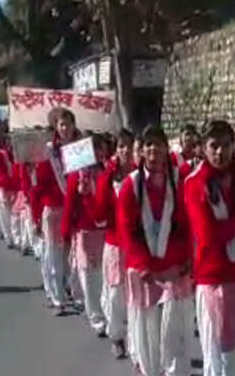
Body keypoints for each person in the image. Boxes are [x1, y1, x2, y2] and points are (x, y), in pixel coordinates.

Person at [185, 120, 235, 376]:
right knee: (221, 356)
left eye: (226, 145)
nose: (220, 152)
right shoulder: (195, 183)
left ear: (234, 146)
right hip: (216, 278)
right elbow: (209, 235)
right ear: (202, 148)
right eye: (214, 146)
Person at [117, 125, 196, 376]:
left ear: (166, 148)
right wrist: (142, 265)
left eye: (158, 144)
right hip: (144, 268)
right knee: (148, 325)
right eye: (148, 144)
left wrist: (185, 259)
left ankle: (175, 370)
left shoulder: (178, 180)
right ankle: (150, 369)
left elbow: (186, 222)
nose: (154, 149)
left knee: (176, 325)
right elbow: (127, 229)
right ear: (141, 151)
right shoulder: (131, 185)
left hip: (174, 264)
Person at [62, 133, 110, 337]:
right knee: (89, 277)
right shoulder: (76, 176)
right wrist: (66, 232)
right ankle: (96, 318)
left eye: (102, 148)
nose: (99, 153)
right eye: (94, 149)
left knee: (106, 277)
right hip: (85, 233)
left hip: (106, 233)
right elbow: (70, 206)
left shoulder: (109, 173)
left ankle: (108, 314)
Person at [95, 128, 136, 359]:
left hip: (136, 245)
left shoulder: (142, 175)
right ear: (116, 150)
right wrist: (102, 181)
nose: (126, 151)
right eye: (122, 146)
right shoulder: (108, 177)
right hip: (114, 243)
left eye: (130, 147)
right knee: (115, 293)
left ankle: (135, 338)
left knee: (135, 293)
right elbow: (99, 212)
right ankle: (117, 336)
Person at [35, 108, 81, 314]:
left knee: (72, 254)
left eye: (69, 124)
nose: (65, 128)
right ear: (56, 126)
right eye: (62, 124)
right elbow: (39, 184)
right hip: (53, 208)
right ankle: (57, 298)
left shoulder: (81, 149)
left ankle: (73, 291)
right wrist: (36, 214)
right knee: (54, 254)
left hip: (75, 209)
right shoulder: (48, 151)